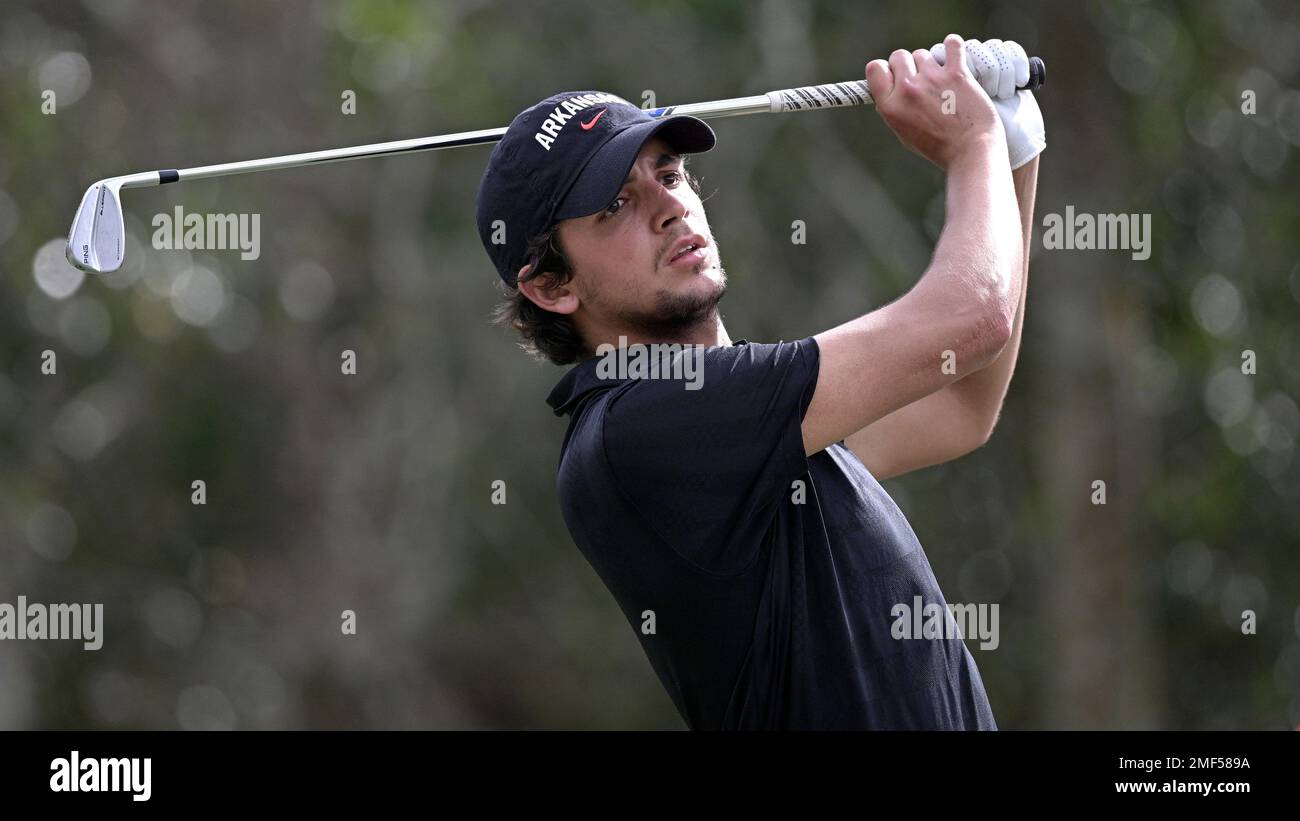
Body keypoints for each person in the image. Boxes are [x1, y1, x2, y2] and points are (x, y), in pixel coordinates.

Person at [474, 35, 1044, 729]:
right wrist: (974, 143)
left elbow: (960, 403)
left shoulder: (754, 427)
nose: (670, 205)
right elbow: (971, 317)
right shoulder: (641, 427)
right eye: (615, 205)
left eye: (670, 172)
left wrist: (1015, 148)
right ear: (553, 285)